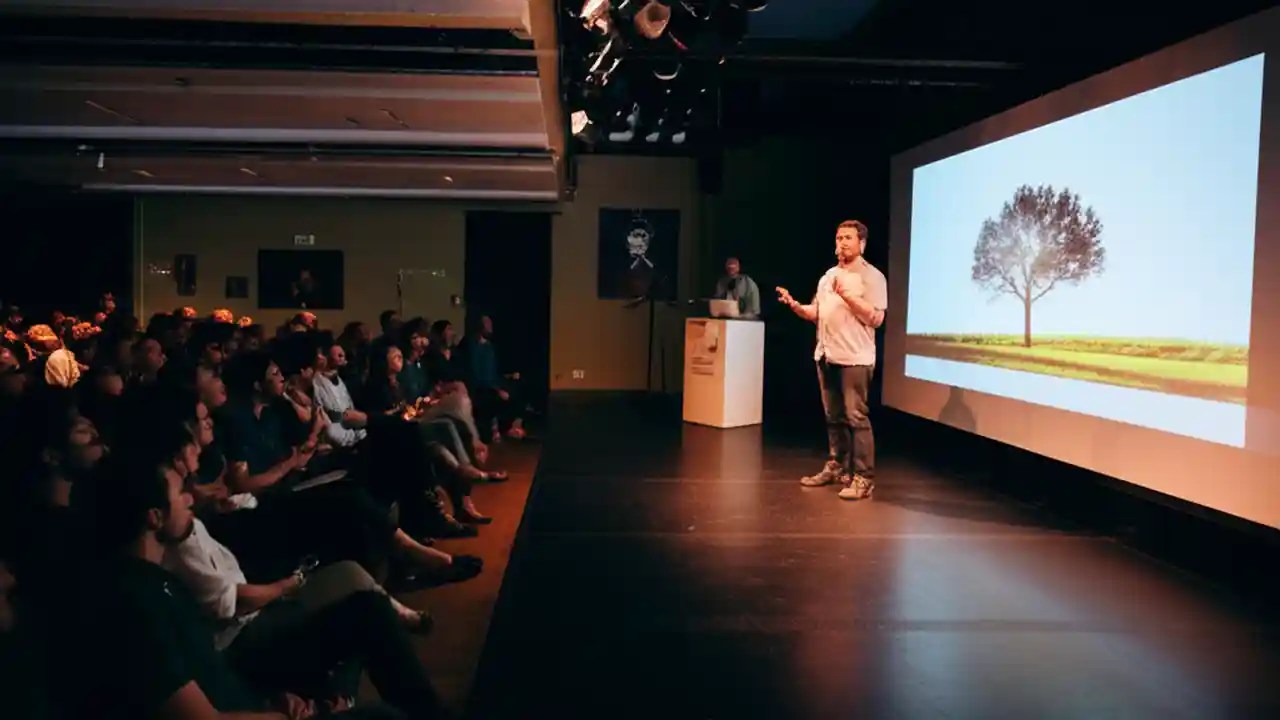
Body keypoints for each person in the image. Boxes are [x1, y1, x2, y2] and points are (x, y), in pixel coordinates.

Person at [776, 219, 887, 500]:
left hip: (855, 358)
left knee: (856, 416)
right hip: (827, 354)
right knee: (833, 417)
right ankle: (838, 467)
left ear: (862, 243)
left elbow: (876, 318)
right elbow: (817, 312)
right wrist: (795, 306)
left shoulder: (872, 277)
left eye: (848, 238)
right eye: (839, 238)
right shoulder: (828, 276)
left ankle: (864, 478)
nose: (842, 243)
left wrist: (848, 296)